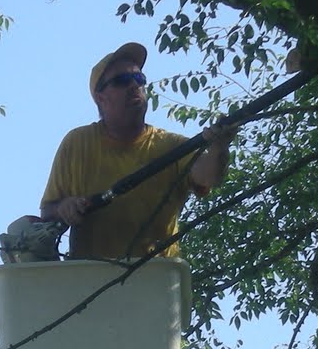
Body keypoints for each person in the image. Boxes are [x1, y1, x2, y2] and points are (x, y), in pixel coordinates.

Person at [40, 42, 234, 260]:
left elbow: (209, 176)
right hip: (92, 280)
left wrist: (220, 146)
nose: (134, 85)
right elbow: (47, 212)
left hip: (157, 280)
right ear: (101, 98)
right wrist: (64, 208)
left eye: (139, 79)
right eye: (122, 81)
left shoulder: (172, 146)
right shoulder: (77, 144)